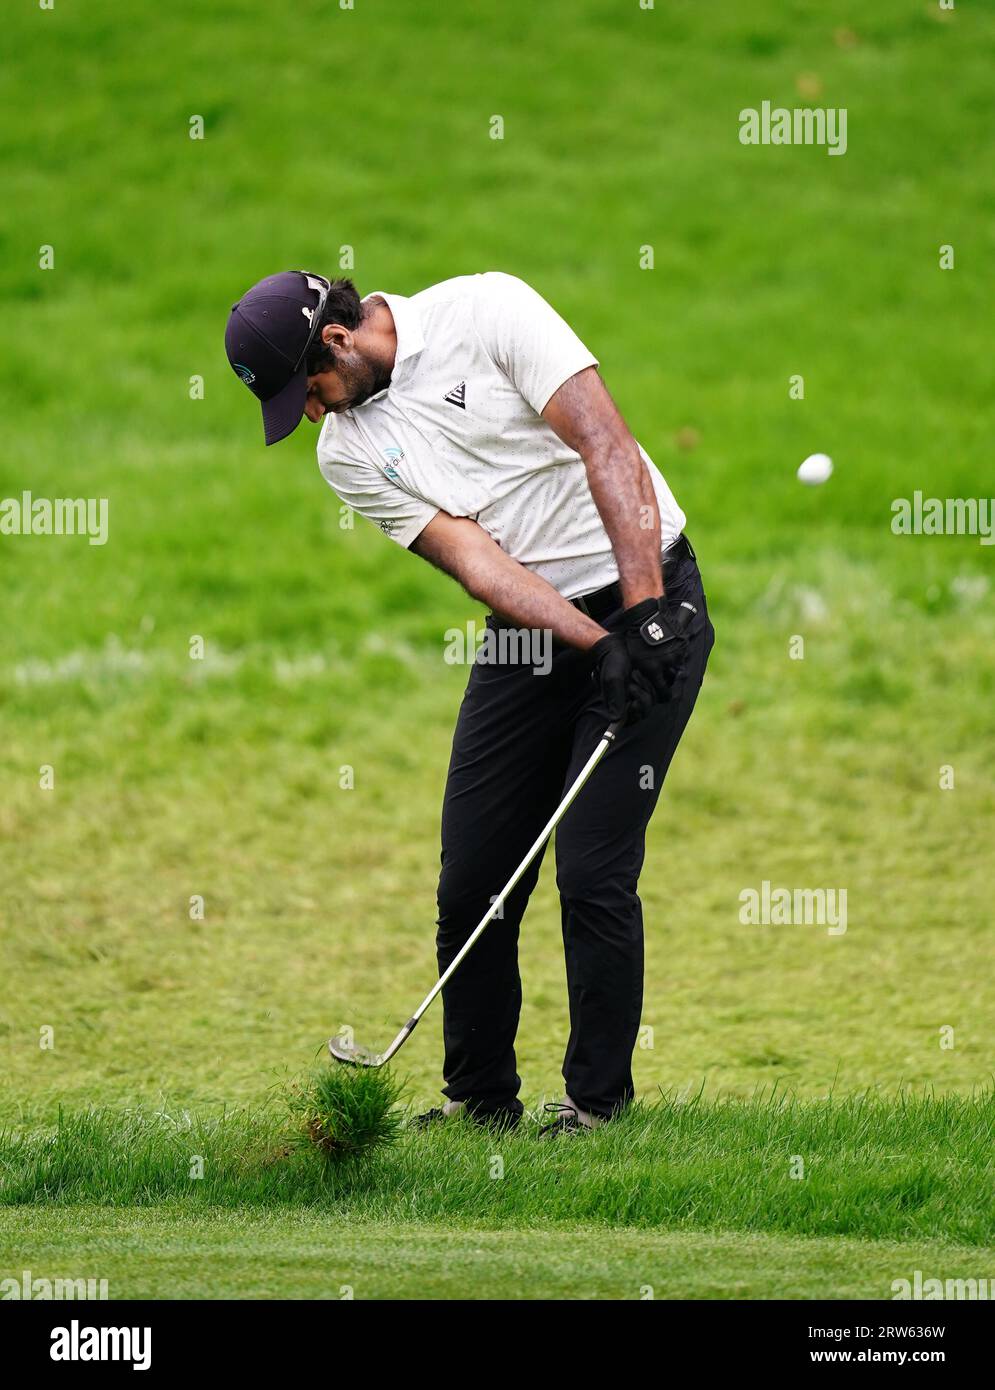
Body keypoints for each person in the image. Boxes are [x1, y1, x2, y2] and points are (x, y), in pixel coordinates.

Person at [225, 269, 714, 1135]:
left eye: (309, 391)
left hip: (652, 592)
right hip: (532, 635)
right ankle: (479, 1101)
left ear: (335, 340)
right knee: (473, 876)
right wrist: (592, 645)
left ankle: (599, 1110)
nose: (310, 414)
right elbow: (478, 563)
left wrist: (637, 623)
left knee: (593, 870)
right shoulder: (345, 451)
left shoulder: (487, 309)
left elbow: (606, 442)